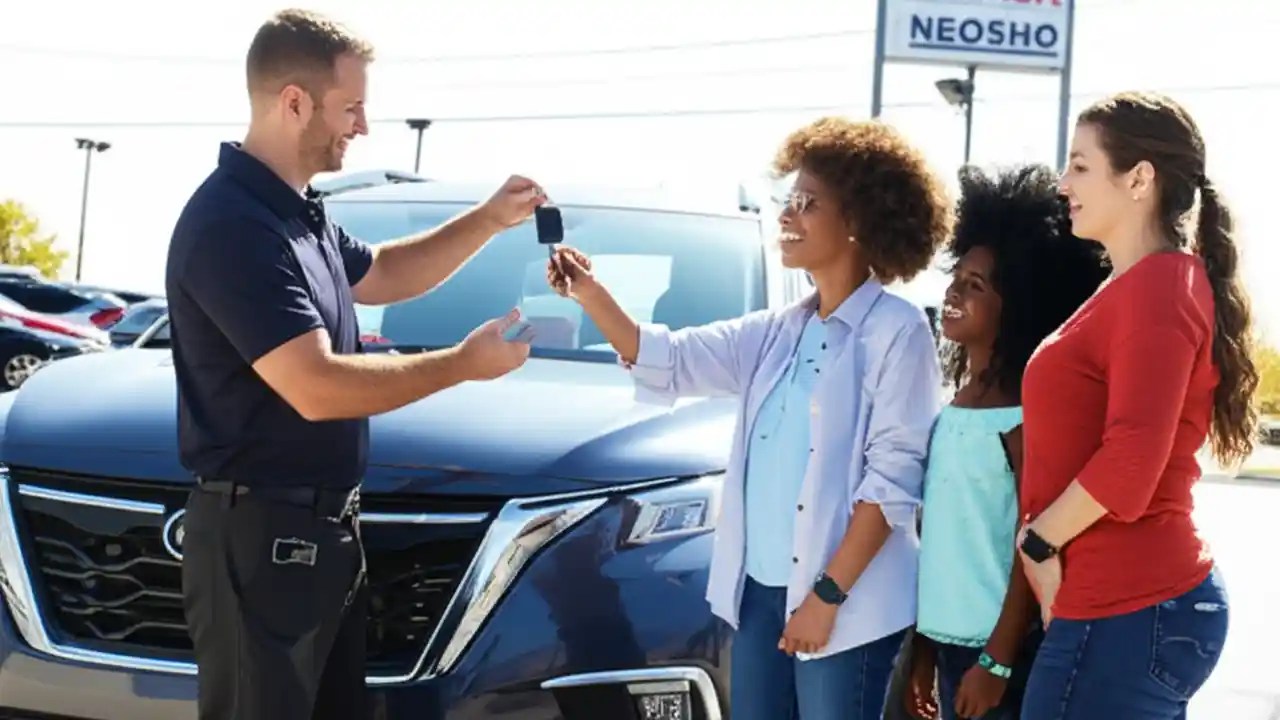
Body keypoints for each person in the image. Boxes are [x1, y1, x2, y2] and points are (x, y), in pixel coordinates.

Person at [165, 10, 543, 720]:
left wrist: (490, 219)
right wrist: (461, 363)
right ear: (294, 102)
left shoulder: (296, 213)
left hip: (323, 535)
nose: (363, 126)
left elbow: (386, 273)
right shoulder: (232, 226)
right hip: (263, 538)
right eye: (351, 107)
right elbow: (316, 387)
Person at [547, 117, 952, 719]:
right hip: (762, 595)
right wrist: (590, 295)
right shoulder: (777, 329)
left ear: (860, 223)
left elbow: (892, 483)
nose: (788, 216)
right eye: (789, 200)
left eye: (808, 203)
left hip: (848, 603)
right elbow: (670, 359)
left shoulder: (898, 331)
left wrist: (828, 596)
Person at [1015, 91, 1255, 718]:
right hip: (1117, 607)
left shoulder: (1158, 289)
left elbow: (1132, 460)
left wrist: (1038, 543)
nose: (1062, 182)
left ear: (1140, 178)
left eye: (1080, 166)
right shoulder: (1135, 286)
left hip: (1128, 608)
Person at [904, 165, 1109, 720]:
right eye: (957, 276)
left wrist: (996, 661)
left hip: (997, 653)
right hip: (945, 641)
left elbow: (1033, 544)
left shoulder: (1024, 415)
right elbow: (938, 538)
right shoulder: (954, 406)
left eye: (977, 286)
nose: (954, 291)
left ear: (1016, 306)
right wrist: (920, 651)